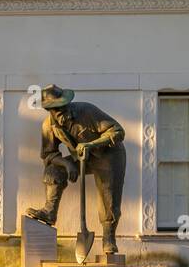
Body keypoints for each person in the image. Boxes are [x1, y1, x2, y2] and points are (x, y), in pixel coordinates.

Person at [24, 84, 126, 255]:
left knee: (108, 196)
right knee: (52, 171)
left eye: (63, 105)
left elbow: (117, 131)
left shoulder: (87, 111)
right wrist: (68, 164)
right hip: (81, 158)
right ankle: (50, 212)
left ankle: (109, 238)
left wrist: (91, 144)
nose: (61, 111)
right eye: (56, 108)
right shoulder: (48, 126)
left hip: (109, 155)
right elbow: (48, 155)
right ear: (50, 110)